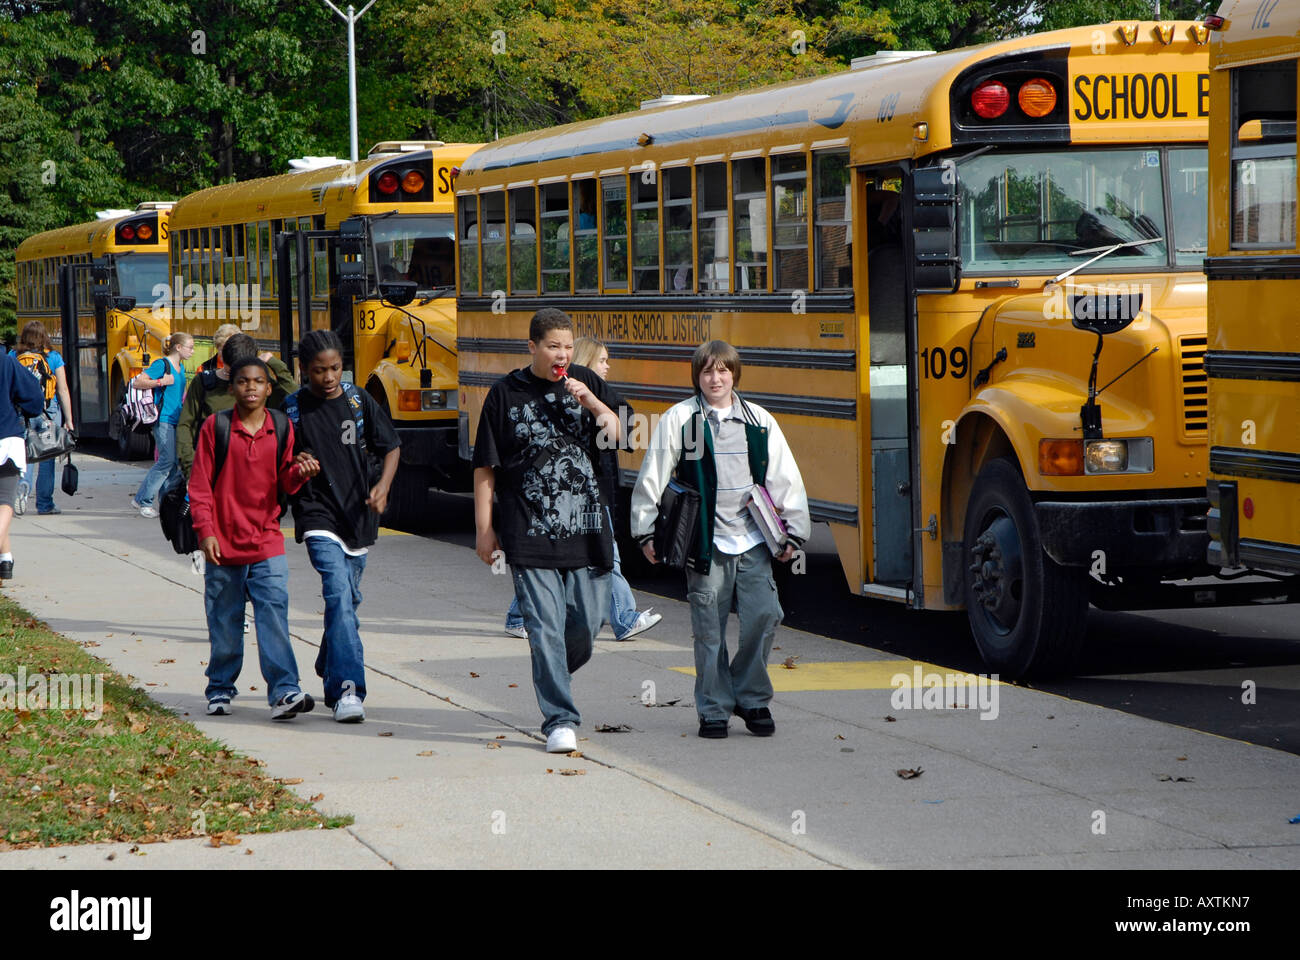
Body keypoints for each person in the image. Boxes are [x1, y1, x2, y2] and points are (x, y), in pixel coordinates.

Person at [630, 340, 810, 739]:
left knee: (765, 614)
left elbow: (785, 477)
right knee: (709, 628)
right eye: (708, 371)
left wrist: (794, 531)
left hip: (752, 540)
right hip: (705, 543)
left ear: (735, 375)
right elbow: (653, 475)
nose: (716, 378)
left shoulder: (758, 421)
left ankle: (750, 696)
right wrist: (644, 529)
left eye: (723, 370)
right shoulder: (680, 420)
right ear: (697, 376)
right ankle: (713, 707)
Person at [472, 309, 621, 753]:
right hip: (528, 531)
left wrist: (591, 403)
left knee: (586, 627)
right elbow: (485, 466)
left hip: (587, 529)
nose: (562, 354)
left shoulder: (586, 383)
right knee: (544, 627)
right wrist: (484, 529)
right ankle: (560, 718)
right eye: (553, 346)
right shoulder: (505, 395)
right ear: (532, 347)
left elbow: (618, 433)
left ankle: (550, 670)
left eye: (568, 347)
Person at [503, 337, 661, 642]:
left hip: (591, 492)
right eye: (602, 360)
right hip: (575, 495)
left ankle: (518, 614)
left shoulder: (593, 395)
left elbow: (627, 426)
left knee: (570, 557)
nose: (607, 366)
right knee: (603, 555)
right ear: (587, 364)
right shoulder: (560, 398)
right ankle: (624, 618)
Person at [188, 356, 320, 719]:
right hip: (223, 545)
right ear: (232, 388)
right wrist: (206, 533)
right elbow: (199, 487)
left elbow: (285, 483)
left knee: (273, 616)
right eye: (243, 381)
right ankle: (220, 688)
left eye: (258, 381)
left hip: (266, 541)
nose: (251, 387)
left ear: (268, 388)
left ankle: (284, 692)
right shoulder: (216, 427)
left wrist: (300, 474)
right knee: (225, 621)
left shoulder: (281, 427)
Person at [284, 330, 400, 723]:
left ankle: (329, 658)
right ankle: (348, 690)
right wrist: (296, 465)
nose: (329, 377)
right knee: (337, 594)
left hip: (358, 513)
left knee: (346, 604)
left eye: (335, 368)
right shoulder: (293, 410)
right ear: (304, 370)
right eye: (319, 371)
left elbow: (392, 446)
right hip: (317, 513)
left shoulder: (357, 399)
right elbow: (278, 465)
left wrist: (382, 487)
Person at [176, 333, 297, 478]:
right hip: (212, 471)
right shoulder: (203, 383)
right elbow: (185, 425)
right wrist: (191, 467)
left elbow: (294, 395)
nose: (235, 380)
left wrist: (272, 362)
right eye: (229, 373)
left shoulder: (259, 385)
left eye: (241, 375)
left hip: (254, 472)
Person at [11, 321, 74, 516]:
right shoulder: (53, 357)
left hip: (21, 411)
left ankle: (22, 487)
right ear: (44, 336)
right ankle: (45, 504)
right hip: (49, 411)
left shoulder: (14, 356)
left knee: (26, 455)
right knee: (47, 456)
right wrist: (69, 419)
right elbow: (62, 389)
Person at [130, 332, 195, 518]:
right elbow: (138, 382)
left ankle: (160, 501)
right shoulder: (162, 365)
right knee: (166, 461)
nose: (192, 351)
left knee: (173, 463)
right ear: (178, 347)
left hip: (176, 419)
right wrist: (161, 381)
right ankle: (145, 502)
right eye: (190, 347)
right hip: (163, 419)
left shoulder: (180, 367)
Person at [0, 352, 51, 577]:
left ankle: (5, 559)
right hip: (6, 437)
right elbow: (34, 399)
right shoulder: (6, 361)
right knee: (4, 503)